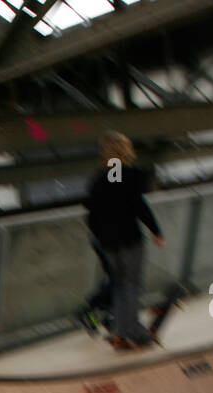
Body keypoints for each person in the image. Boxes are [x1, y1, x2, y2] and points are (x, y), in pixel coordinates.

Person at [78, 131, 165, 349]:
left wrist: (99, 238)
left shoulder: (98, 179)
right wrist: (156, 231)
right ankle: (133, 331)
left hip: (108, 243)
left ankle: (119, 331)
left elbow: (91, 213)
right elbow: (138, 206)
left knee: (118, 286)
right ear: (126, 150)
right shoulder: (129, 175)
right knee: (131, 285)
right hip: (129, 239)